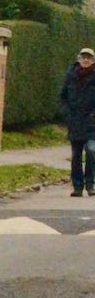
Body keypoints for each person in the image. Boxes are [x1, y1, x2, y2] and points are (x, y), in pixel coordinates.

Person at [62, 46, 95, 197]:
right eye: (83, 57)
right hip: (75, 121)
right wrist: (67, 113)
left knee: (91, 151)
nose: (86, 60)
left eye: (89, 58)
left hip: (91, 122)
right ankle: (77, 186)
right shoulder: (71, 75)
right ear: (79, 59)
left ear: (93, 61)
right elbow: (63, 96)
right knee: (76, 155)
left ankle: (90, 184)